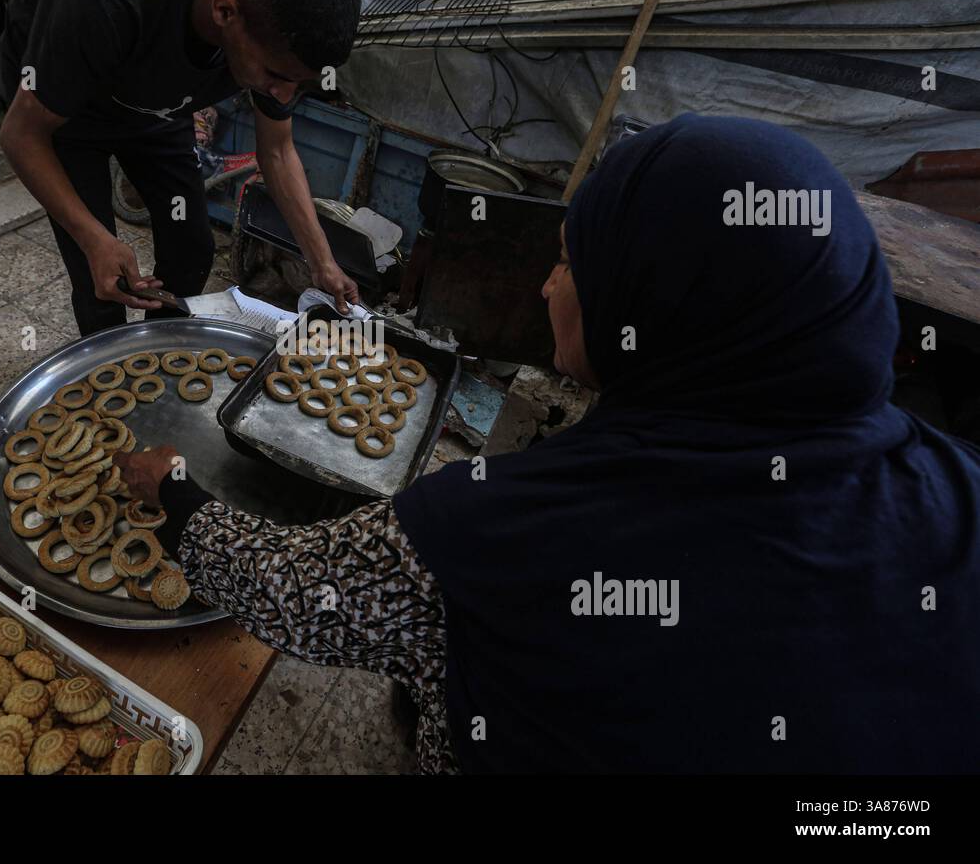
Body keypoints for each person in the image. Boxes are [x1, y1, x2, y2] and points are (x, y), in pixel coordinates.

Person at [115, 114, 980, 773]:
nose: (546, 283)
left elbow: (296, 597)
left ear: (647, 311)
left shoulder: (500, 531)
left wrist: (177, 493)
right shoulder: (960, 486)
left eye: (572, 263)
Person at [0, 0, 362, 334]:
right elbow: (21, 135)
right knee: (101, 279)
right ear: (225, 12)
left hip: (156, 105)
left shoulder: (270, 21)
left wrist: (323, 263)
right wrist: (95, 238)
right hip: (63, 111)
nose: (283, 96)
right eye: (277, 78)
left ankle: (158, 361)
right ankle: (108, 371)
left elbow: (278, 150)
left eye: (298, 86)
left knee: (191, 248)